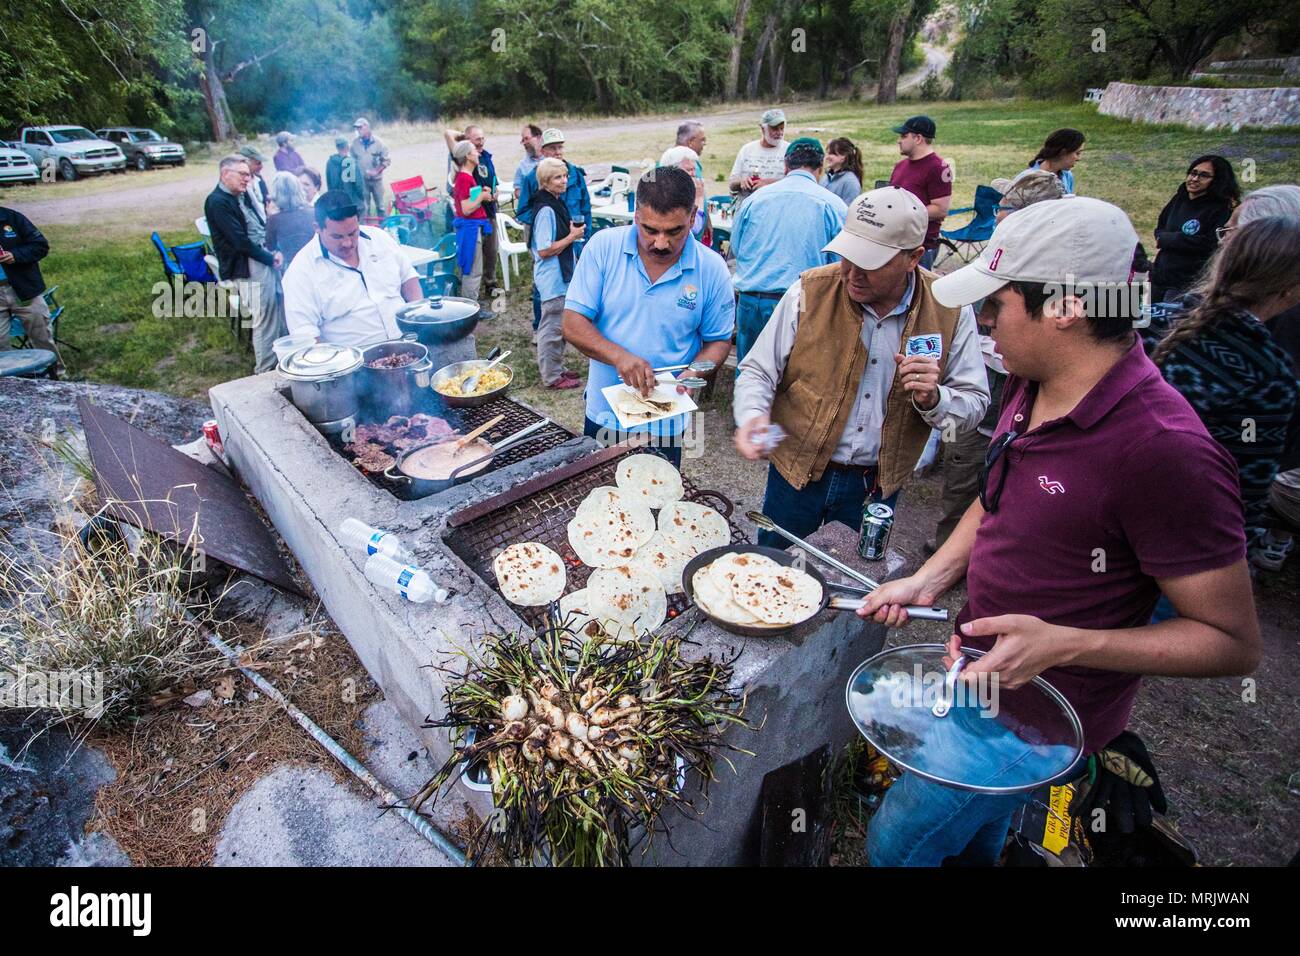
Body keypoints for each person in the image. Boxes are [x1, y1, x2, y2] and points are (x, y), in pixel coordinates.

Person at [858, 196, 1260, 867]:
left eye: (998, 303)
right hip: (979, 676)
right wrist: (931, 576)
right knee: (979, 838)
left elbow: (1232, 643)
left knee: (896, 845)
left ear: (1067, 308)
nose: (983, 320)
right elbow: (998, 498)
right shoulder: (1033, 378)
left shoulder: (1165, 451)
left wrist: (1065, 644)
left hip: (1040, 718)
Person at [733, 187, 988, 548]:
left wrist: (935, 400)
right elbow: (758, 370)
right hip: (796, 474)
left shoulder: (949, 307)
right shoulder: (809, 292)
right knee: (773, 566)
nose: (852, 272)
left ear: (914, 257)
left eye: (870, 262)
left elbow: (974, 404)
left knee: (848, 583)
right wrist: (753, 415)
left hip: (874, 486)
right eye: (847, 256)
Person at [926, 170, 1066, 553]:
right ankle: (945, 554)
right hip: (982, 421)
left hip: (1002, 417)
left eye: (998, 307)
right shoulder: (998, 266)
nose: (986, 318)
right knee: (963, 487)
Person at [561, 166, 735, 467]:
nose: (661, 243)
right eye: (650, 230)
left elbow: (718, 341)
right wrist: (619, 357)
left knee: (659, 501)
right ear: (636, 216)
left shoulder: (712, 268)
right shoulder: (603, 248)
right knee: (602, 505)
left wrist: (694, 374)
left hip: (666, 419)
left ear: (693, 218)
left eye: (675, 231)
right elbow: (572, 323)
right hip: (606, 413)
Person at [1152, 218, 1300, 551]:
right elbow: (1242, 496)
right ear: (1290, 289)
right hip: (1174, 538)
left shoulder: (1152, 317)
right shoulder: (1270, 378)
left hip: (1102, 511)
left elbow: (1070, 303)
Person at [731, 137, 848, 365]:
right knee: (796, 375)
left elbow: (737, 246)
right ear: (820, 167)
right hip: (803, 299)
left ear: (786, 165)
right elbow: (840, 261)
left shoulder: (755, 200)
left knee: (750, 372)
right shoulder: (834, 205)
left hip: (753, 299)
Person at [281, 190, 423, 347]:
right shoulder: (301, 271)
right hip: (353, 363)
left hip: (407, 344)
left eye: (353, 233)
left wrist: (419, 324)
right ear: (317, 227)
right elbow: (304, 335)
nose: (348, 243)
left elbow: (409, 279)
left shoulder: (379, 238)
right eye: (337, 237)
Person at [205, 155, 284, 372]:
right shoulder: (218, 202)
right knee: (264, 317)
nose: (247, 179)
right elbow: (240, 242)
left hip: (258, 259)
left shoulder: (238, 195)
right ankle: (264, 370)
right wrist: (270, 258)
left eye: (249, 175)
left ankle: (280, 361)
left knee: (275, 312)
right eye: (242, 174)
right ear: (225, 174)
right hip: (247, 266)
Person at [1150, 154, 1239, 304]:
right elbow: (1160, 229)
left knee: (1171, 325)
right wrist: (1167, 238)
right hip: (1161, 276)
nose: (1195, 179)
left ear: (1216, 181)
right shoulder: (1179, 199)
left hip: (1188, 282)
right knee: (1148, 322)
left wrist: (1172, 239)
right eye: (1193, 173)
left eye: (1204, 176)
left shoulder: (1221, 209)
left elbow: (1212, 243)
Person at [529, 157, 585, 390]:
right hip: (552, 278)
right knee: (551, 328)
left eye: (564, 176)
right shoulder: (546, 210)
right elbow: (544, 249)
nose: (563, 181)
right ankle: (552, 377)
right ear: (545, 181)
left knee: (560, 326)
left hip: (561, 276)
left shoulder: (554, 202)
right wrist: (572, 237)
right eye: (557, 177)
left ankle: (557, 369)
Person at [0, 205, 63, 374]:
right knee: (0, 347)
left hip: (23, 289)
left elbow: (40, 246)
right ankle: (12, 385)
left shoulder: (11, 218)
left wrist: (15, 256)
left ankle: (57, 376)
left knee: (42, 336)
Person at [888, 115, 952, 270]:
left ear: (918, 138)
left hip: (920, 247)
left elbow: (940, 209)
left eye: (904, 136)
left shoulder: (939, 167)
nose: (899, 140)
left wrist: (904, 213)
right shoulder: (900, 165)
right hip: (896, 242)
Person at [445, 125, 500, 303]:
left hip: (475, 226)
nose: (478, 153)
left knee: (474, 268)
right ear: (467, 155)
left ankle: (472, 303)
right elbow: (466, 208)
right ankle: (470, 307)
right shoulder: (464, 177)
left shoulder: (467, 177)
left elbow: (467, 198)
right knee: (472, 270)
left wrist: (481, 192)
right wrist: (482, 196)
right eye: (474, 151)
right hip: (469, 229)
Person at [728, 108, 789, 211]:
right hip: (747, 211)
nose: (779, 133)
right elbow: (732, 184)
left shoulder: (789, 150)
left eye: (782, 129)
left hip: (777, 211)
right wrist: (741, 182)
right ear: (763, 129)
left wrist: (768, 184)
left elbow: (795, 183)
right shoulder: (747, 150)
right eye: (774, 129)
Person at [267, 171, 317, 270]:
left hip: (292, 267)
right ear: (298, 189)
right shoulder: (313, 212)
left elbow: (270, 246)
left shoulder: (274, 219)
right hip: (315, 262)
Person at [658, 145, 709, 242]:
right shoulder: (668, 195)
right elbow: (695, 228)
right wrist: (699, 197)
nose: (693, 174)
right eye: (689, 170)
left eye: (694, 169)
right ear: (672, 170)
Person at [350, 117, 391, 220]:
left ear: (367, 127)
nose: (358, 130)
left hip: (377, 181)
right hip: (362, 182)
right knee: (364, 207)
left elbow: (386, 161)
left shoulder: (379, 143)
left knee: (380, 206)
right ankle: (367, 230)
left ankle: (384, 228)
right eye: (357, 128)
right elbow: (351, 162)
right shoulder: (354, 144)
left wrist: (376, 171)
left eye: (360, 127)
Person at [1028, 128, 1084, 194]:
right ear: (1063, 153)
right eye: (1077, 153)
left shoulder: (1067, 175)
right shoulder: (1028, 180)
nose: (1079, 158)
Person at [822, 137, 864, 205]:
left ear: (844, 157)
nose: (827, 157)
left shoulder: (850, 182)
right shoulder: (826, 177)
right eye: (828, 153)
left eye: (832, 154)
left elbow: (849, 210)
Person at [325, 135, 362, 206]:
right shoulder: (350, 163)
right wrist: (361, 198)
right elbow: (358, 185)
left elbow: (329, 183)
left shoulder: (330, 162)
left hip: (336, 201)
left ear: (337, 147)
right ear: (347, 147)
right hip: (350, 201)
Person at [238, 145, 273, 218]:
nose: (261, 166)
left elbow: (266, 199)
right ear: (245, 163)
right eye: (258, 163)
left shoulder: (259, 179)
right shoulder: (239, 185)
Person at [515, 123, 544, 194]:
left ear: (538, 137)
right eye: (523, 140)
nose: (524, 143)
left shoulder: (550, 159)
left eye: (526, 139)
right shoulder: (522, 165)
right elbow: (517, 191)